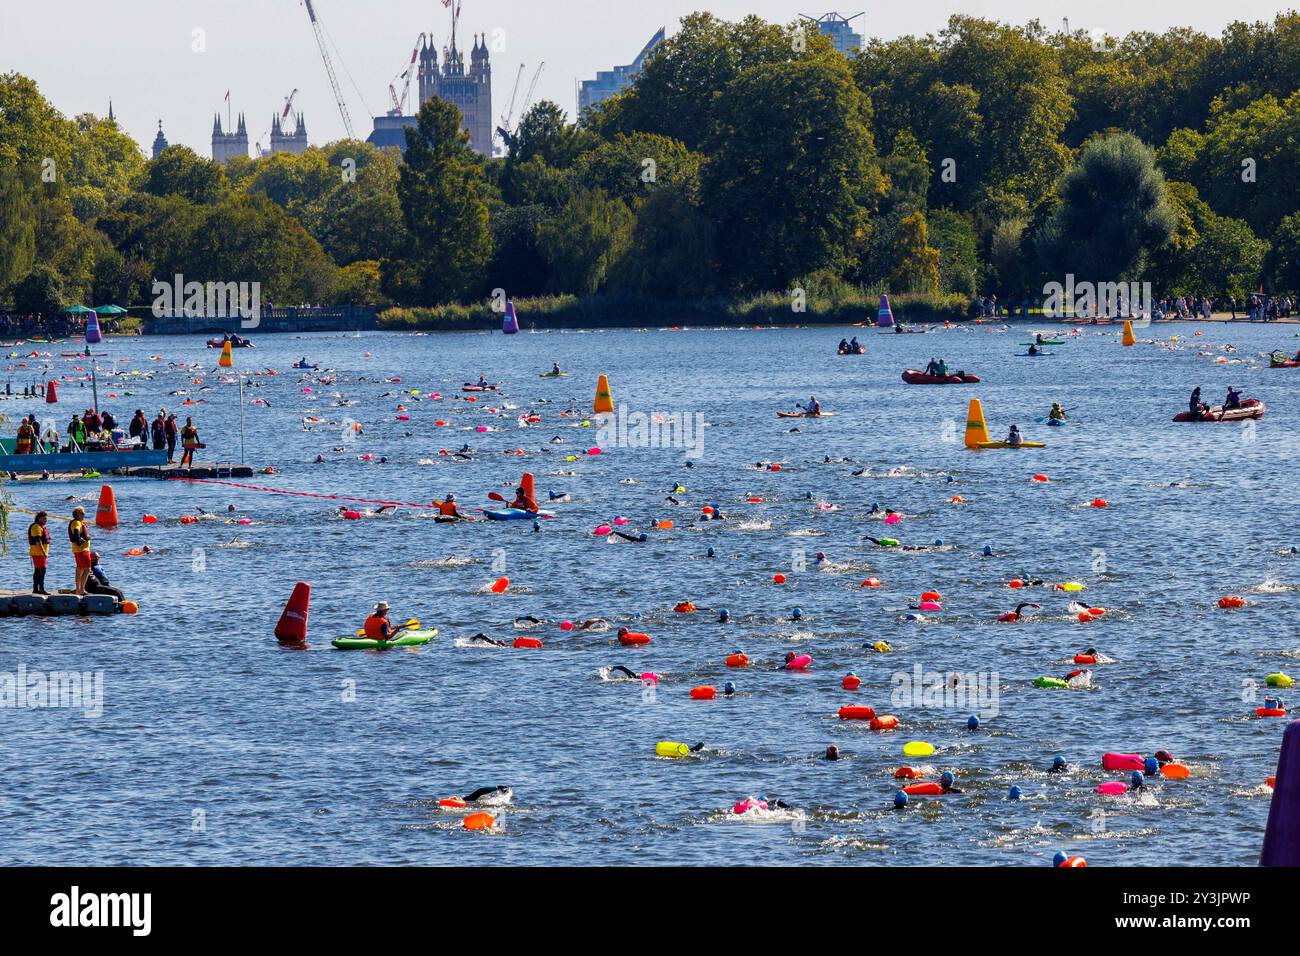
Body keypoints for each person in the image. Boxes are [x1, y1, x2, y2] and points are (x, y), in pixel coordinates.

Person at [68, 506, 92, 595]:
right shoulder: (77, 523)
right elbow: (76, 531)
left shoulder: (77, 522)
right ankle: (81, 590)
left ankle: (78, 589)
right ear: (77, 514)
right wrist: (79, 541)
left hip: (79, 550)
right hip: (82, 550)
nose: (84, 514)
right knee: (87, 569)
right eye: (82, 513)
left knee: (80, 568)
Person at [27, 510, 50, 594]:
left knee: (38, 570)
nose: (45, 520)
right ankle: (41, 589)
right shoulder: (36, 527)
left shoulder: (40, 527)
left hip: (39, 553)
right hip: (38, 553)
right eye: (44, 519)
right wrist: (44, 552)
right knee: (42, 570)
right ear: (39, 518)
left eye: (46, 519)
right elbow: (38, 541)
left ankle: (36, 589)